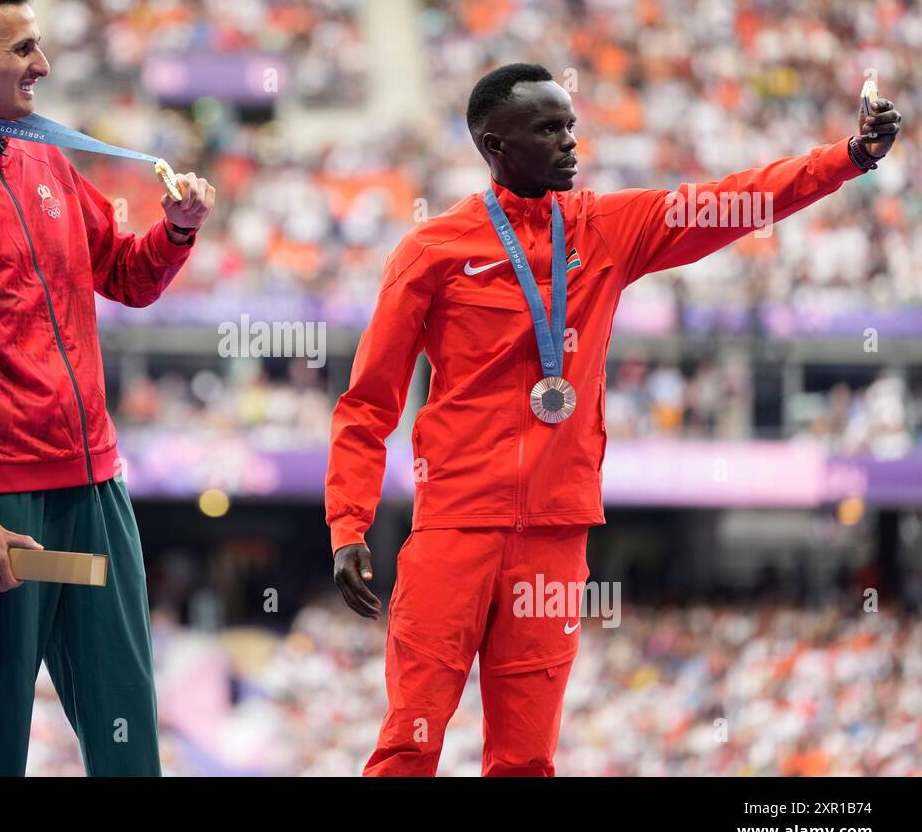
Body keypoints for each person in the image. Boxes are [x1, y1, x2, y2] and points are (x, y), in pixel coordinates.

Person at [325, 62, 901, 776]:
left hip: (556, 538)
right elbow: (368, 401)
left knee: (527, 760)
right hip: (453, 529)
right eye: (549, 129)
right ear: (495, 144)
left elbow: (731, 201)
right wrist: (348, 523)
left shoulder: (607, 227)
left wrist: (846, 158)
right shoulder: (432, 250)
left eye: (571, 125)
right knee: (410, 744)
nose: (571, 142)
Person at [0, 0, 216, 776]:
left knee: (127, 722)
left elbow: (127, 279)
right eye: (23, 48)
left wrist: (175, 231)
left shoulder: (47, 159)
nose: (45, 64)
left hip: (99, 484)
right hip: (2, 497)